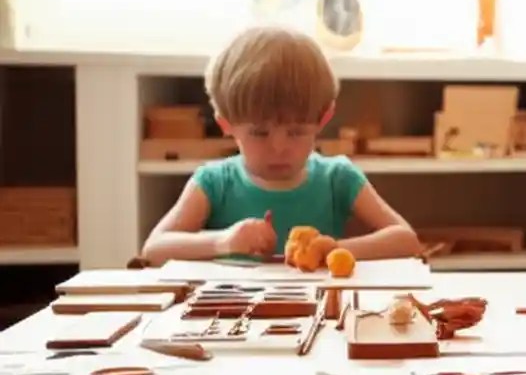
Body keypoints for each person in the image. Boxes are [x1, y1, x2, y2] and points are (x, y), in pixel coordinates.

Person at [141, 26, 420, 263]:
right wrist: (222, 242)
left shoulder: (338, 179)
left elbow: (407, 242)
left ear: (323, 119)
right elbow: (153, 251)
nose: (278, 147)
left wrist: (334, 250)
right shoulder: (214, 183)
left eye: (297, 132)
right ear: (226, 123)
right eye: (260, 133)